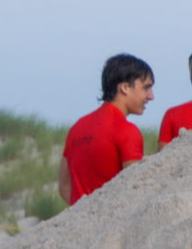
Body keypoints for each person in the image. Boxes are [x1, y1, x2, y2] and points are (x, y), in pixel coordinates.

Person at [63, 54, 152, 204]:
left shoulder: (77, 128)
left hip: (79, 223)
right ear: (124, 88)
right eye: (146, 88)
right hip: (113, 223)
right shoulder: (126, 130)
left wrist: (81, 214)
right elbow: (135, 189)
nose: (151, 96)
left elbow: (64, 186)